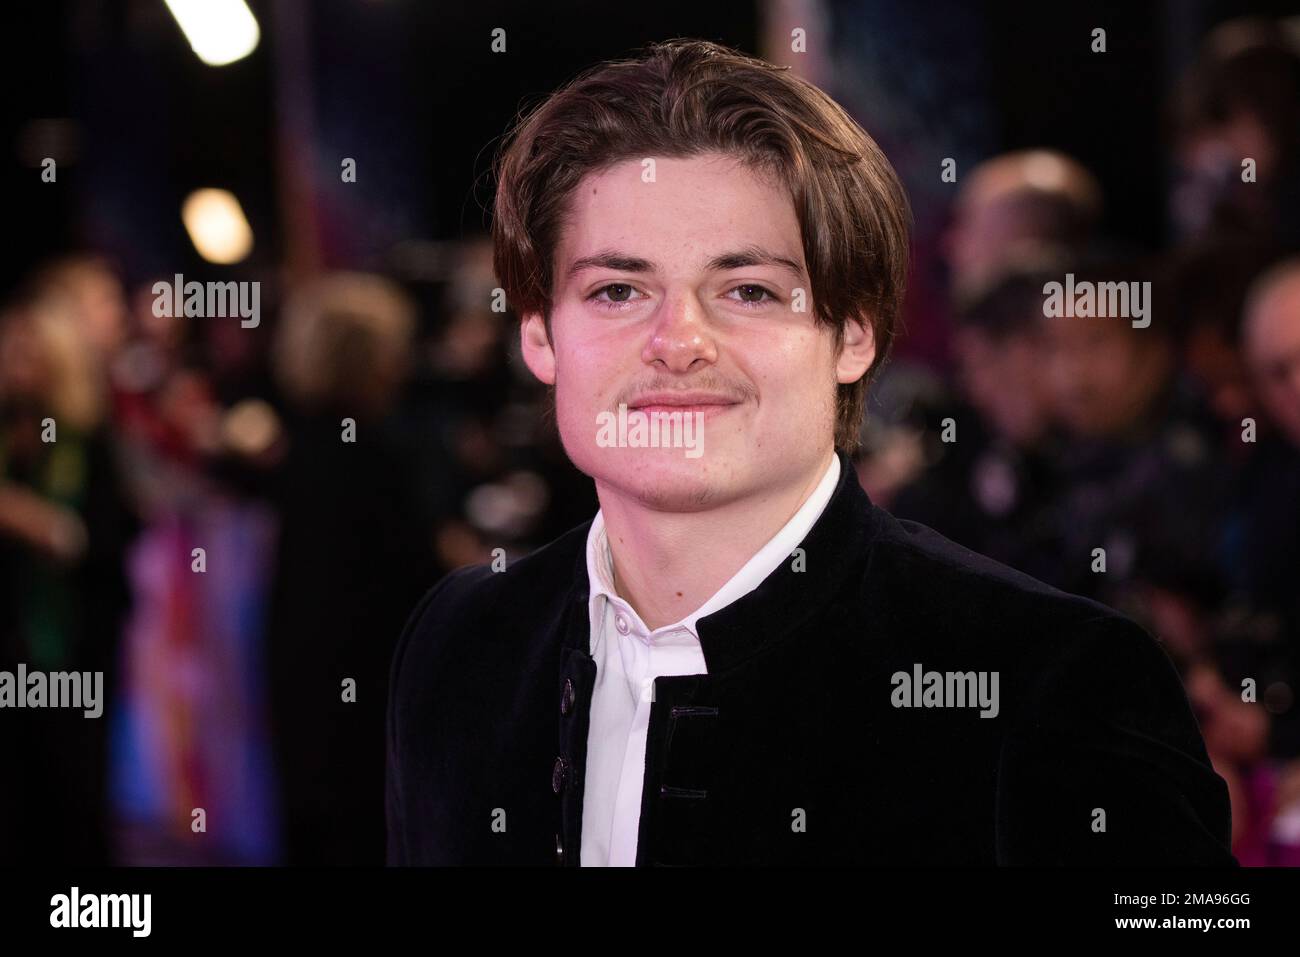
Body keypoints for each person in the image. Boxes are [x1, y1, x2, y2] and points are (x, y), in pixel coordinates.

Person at [385, 39, 1234, 866]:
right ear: (539, 335)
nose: (678, 340)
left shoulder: (1056, 684)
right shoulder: (462, 646)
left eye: (747, 290)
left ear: (853, 335)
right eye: (617, 290)